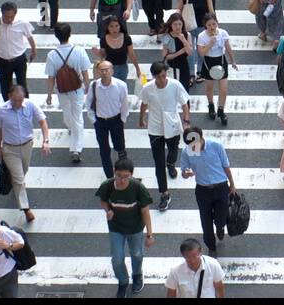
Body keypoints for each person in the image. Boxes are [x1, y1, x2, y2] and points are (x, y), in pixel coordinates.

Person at [97, 157, 155, 298]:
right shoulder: (107, 186)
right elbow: (103, 201)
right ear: (114, 172)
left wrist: (149, 235)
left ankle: (137, 275)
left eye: (126, 177)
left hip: (135, 228)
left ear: (131, 175)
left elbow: (145, 211)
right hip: (116, 227)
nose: (122, 180)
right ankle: (123, 281)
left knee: (137, 254)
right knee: (117, 259)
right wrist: (108, 211)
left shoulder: (138, 188)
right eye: (118, 176)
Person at [139, 61, 191, 212]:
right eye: (158, 77)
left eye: (163, 75)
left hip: (172, 125)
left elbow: (184, 104)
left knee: (173, 150)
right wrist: (141, 118)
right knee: (158, 162)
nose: (162, 79)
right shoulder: (148, 88)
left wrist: (186, 120)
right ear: (154, 76)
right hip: (155, 128)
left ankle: (171, 163)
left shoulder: (175, 85)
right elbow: (144, 103)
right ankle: (164, 193)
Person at [0, 85, 50, 223]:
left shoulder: (30, 105)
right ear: (9, 97)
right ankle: (26, 209)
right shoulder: (1, 111)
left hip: (27, 145)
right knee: (19, 179)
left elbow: (43, 122)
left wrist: (46, 140)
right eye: (15, 100)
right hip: (10, 149)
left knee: (23, 170)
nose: (18, 103)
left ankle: (17, 188)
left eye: (20, 100)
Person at [180, 127, 238, 257]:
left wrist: (232, 185)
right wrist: (186, 173)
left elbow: (225, 166)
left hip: (221, 187)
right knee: (205, 221)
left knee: (221, 216)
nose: (194, 146)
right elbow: (183, 171)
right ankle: (211, 246)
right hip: (203, 190)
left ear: (201, 137)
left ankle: (220, 226)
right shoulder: (186, 152)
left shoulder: (216, 146)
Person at [44, 23, 91, 164]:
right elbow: (85, 72)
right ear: (69, 34)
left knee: (67, 113)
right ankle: (75, 149)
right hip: (77, 89)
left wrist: (49, 95)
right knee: (78, 117)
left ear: (56, 36)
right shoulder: (79, 51)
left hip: (61, 90)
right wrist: (88, 87)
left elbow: (51, 77)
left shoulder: (52, 55)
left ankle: (71, 129)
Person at [86, 60, 130, 180]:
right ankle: (110, 178)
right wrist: (93, 120)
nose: (105, 72)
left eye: (107, 70)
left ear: (112, 71)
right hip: (100, 122)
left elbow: (125, 104)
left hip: (116, 120)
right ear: (98, 72)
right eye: (102, 70)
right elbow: (88, 103)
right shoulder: (94, 85)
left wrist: (123, 119)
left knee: (120, 148)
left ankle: (124, 173)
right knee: (104, 151)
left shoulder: (120, 85)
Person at [0, 2, 37, 101]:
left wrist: (34, 50)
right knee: (5, 87)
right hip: (2, 60)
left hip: (19, 59)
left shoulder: (22, 23)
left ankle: (25, 106)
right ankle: (8, 107)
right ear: (1, 14)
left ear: (15, 15)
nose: (9, 19)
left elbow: (30, 37)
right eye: (6, 17)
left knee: (22, 85)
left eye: (11, 17)